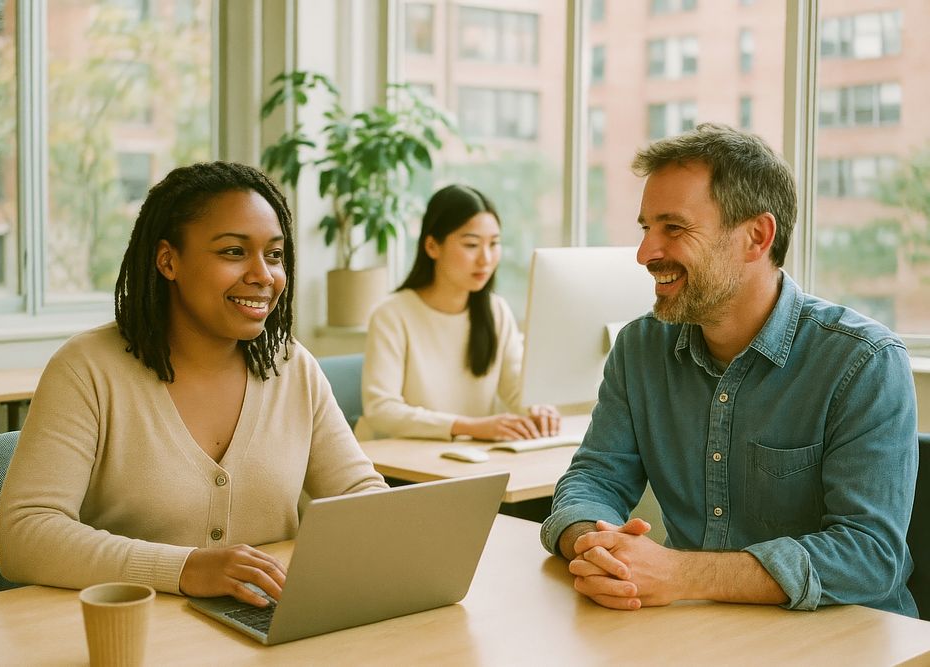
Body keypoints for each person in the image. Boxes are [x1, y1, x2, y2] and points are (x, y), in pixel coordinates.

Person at [541, 123, 919, 616]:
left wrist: (681, 574)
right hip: (699, 627)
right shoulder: (639, 348)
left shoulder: (864, 361)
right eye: (646, 228)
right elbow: (594, 479)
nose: (644, 253)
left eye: (674, 228)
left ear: (756, 237)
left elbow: (869, 555)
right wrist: (596, 547)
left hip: (844, 635)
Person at [0, 162, 387, 608]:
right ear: (168, 261)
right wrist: (184, 568)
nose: (264, 275)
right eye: (234, 252)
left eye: (275, 255)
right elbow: (23, 534)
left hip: (263, 624)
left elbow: (360, 495)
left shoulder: (292, 367)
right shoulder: (87, 369)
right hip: (127, 631)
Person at [354, 184, 560, 442]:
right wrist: (469, 427)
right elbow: (381, 410)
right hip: (394, 458)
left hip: (466, 456)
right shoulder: (391, 315)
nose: (486, 258)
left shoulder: (496, 310)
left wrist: (536, 408)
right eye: (471, 244)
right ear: (432, 246)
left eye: (494, 244)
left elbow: (515, 387)